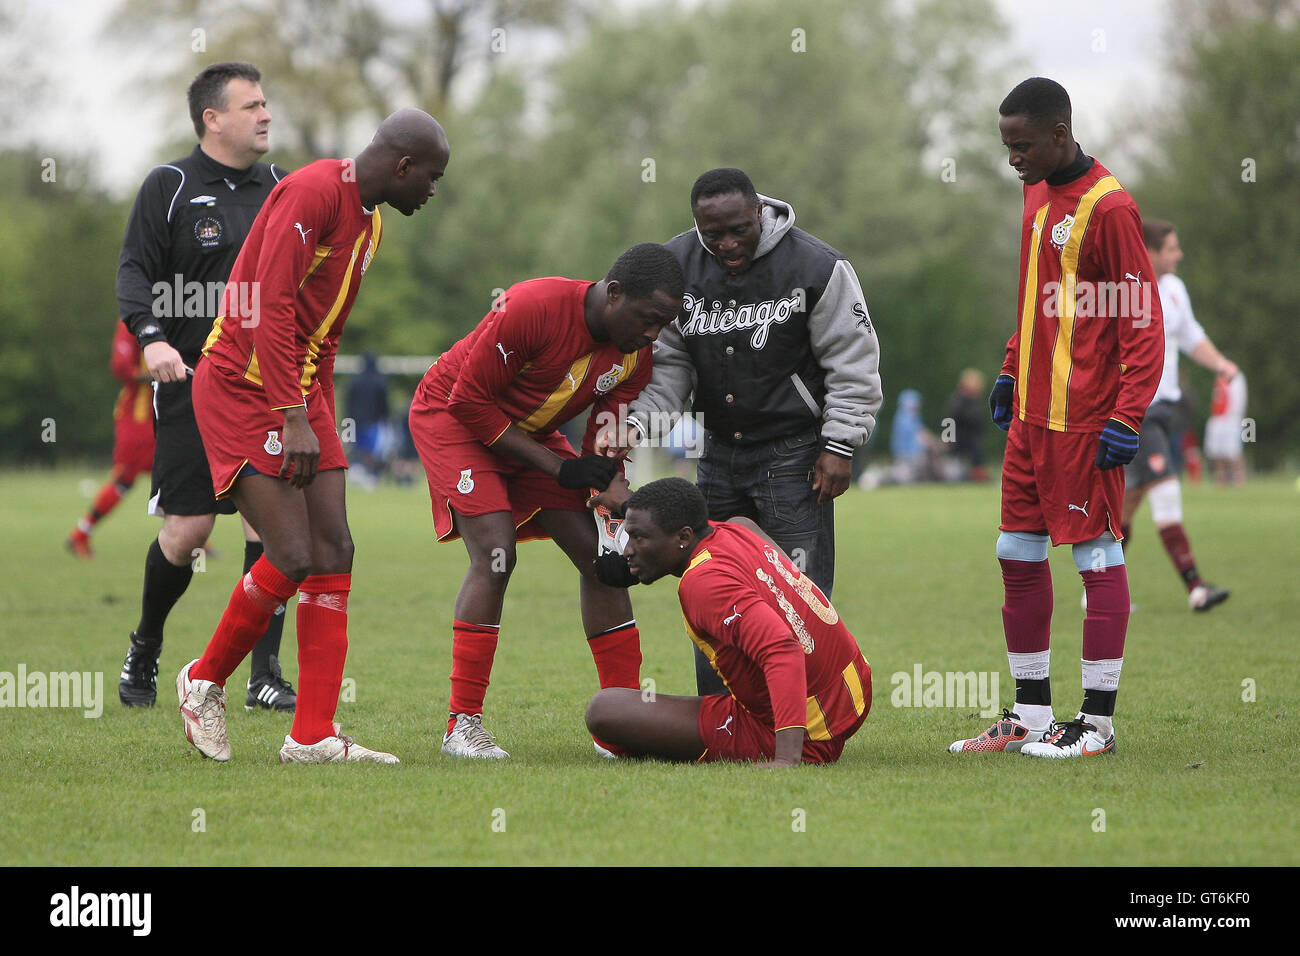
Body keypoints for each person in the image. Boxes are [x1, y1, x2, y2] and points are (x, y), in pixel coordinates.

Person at [176, 108, 451, 763]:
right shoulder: (314, 190)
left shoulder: (372, 222)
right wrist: (290, 413)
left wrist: (315, 418)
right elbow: (269, 304)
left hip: (299, 393)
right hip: (242, 387)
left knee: (335, 549)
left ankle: (311, 736)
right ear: (403, 165)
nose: (433, 192)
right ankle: (203, 682)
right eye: (432, 177)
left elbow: (323, 335)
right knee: (293, 554)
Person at [597, 167, 882, 697]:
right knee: (711, 587)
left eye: (738, 230)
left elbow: (854, 362)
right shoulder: (677, 266)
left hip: (796, 454)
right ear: (697, 225)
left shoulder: (817, 266)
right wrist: (637, 424)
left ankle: (808, 721)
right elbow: (669, 367)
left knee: (800, 594)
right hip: (718, 454)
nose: (727, 244)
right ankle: (720, 712)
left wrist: (841, 444)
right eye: (713, 234)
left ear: (759, 213)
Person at [949, 77, 1164, 759]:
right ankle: (1032, 715)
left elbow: (1143, 322)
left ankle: (1096, 724)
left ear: (1059, 136)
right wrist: (1012, 365)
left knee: (1097, 556)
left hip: (1085, 420)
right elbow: (1036, 294)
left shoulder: (1112, 208)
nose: (1012, 157)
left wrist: (1128, 414)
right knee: (1015, 552)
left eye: (1021, 145)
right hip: (1032, 420)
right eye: (1006, 145)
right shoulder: (1036, 191)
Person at [407, 243, 685, 759]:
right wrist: (559, 468)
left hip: (530, 435)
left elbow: (602, 448)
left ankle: (622, 726)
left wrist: (611, 518)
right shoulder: (529, 307)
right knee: (496, 553)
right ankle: (460, 726)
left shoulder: (634, 355)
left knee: (601, 564)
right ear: (615, 292)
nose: (653, 335)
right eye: (649, 319)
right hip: (453, 420)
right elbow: (467, 401)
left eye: (664, 324)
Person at [115, 62, 296, 712]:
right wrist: (152, 336)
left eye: (266, 101)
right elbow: (135, 270)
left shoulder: (282, 186)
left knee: (270, 531)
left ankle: (265, 673)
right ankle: (146, 643)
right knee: (189, 530)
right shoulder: (169, 185)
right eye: (252, 105)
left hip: (266, 388)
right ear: (212, 118)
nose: (266, 113)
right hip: (192, 381)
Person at [584, 477, 871, 766]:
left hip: (810, 735)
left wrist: (786, 758)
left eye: (639, 538)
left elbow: (782, 648)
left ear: (683, 538)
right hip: (852, 687)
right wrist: (627, 505)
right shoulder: (737, 529)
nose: (627, 550)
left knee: (604, 709)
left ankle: (785, 747)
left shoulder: (702, 583)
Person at [1118, 220, 1238, 611]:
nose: (1179, 254)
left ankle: (1097, 589)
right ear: (1150, 252)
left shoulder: (1174, 289)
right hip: (1138, 410)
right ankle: (1196, 587)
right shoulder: (1123, 291)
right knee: (1166, 488)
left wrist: (1220, 363)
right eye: (1172, 248)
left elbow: (1190, 336)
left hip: (1164, 409)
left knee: (1127, 504)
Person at [66, 322, 156, 559]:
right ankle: (80, 534)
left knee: (176, 474)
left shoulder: (178, 312)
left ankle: (193, 538)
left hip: (166, 414)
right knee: (125, 478)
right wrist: (160, 375)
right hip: (139, 417)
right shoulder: (134, 319)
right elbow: (121, 367)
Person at [346, 351, 391, 486]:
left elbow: (348, 402)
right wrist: (386, 418)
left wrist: (347, 420)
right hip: (373, 421)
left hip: (354, 421)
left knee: (357, 448)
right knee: (372, 450)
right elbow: (384, 403)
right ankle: (370, 476)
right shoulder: (380, 381)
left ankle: (357, 474)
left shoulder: (353, 381)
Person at [941, 368, 989, 481]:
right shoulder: (957, 402)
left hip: (970, 440)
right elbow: (948, 420)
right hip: (958, 440)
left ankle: (976, 474)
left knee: (977, 452)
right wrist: (948, 440)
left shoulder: (974, 402)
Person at [1205, 369, 1248, 486]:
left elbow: (1239, 401)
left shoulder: (1238, 380)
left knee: (1233, 451)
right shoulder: (1219, 380)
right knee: (1216, 451)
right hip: (1218, 417)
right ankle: (1220, 478)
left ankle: (1238, 477)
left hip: (1231, 419)